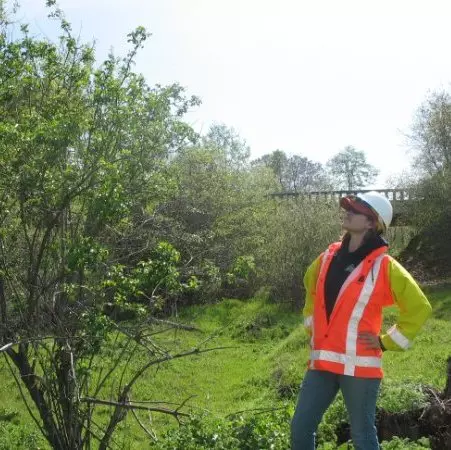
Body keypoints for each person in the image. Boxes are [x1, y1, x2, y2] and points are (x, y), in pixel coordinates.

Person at [290, 191, 432, 450]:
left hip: (359, 367)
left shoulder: (384, 266)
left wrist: (386, 341)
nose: (348, 212)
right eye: (349, 208)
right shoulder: (327, 256)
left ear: (371, 223)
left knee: (363, 436)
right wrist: (311, 325)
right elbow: (311, 286)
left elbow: (419, 307)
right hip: (322, 362)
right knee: (300, 428)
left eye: (356, 210)